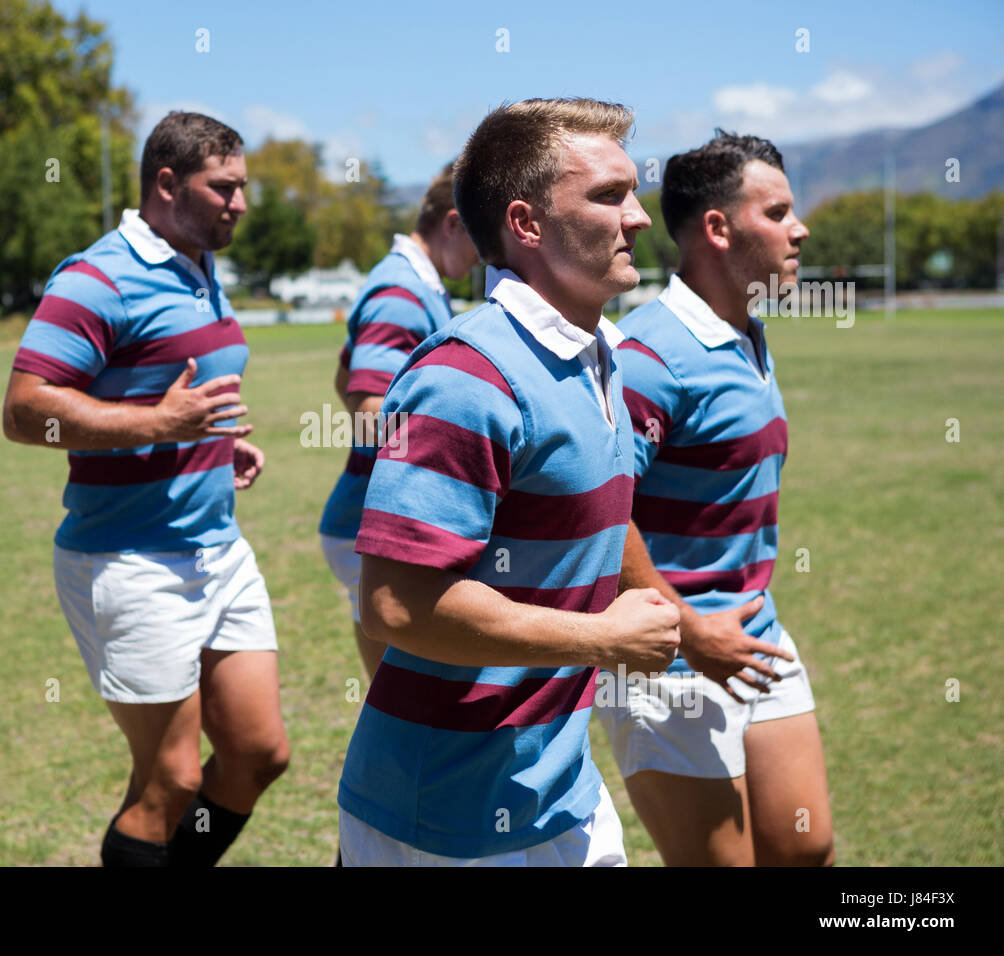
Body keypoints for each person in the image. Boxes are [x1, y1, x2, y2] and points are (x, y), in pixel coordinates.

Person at [337, 98, 681, 867]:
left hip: (562, 792)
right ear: (525, 224)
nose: (639, 219)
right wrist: (602, 638)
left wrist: (669, 618)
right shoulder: (467, 376)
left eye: (633, 191)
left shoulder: (602, 358)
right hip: (445, 817)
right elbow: (398, 602)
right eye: (607, 195)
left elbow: (595, 513)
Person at [2, 111, 289, 868]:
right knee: (171, 782)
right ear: (167, 184)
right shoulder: (97, 277)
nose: (241, 204)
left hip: (219, 551)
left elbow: (173, 400)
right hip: (129, 562)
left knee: (260, 753)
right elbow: (27, 412)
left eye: (243, 187)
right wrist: (159, 425)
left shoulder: (197, 262)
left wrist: (212, 447)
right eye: (223, 187)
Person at [595, 130, 835, 866]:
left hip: (756, 634)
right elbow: (602, 512)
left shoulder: (748, 331)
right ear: (719, 228)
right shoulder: (648, 357)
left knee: (806, 849)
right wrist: (691, 631)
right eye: (778, 212)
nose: (800, 228)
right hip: (664, 659)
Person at [318, 161, 478, 677]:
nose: (483, 258)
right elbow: (366, 406)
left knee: (404, 697)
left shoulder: (415, 285)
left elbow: (347, 382)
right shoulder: (402, 291)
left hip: (368, 518)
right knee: (407, 698)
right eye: (480, 236)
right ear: (452, 222)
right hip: (373, 523)